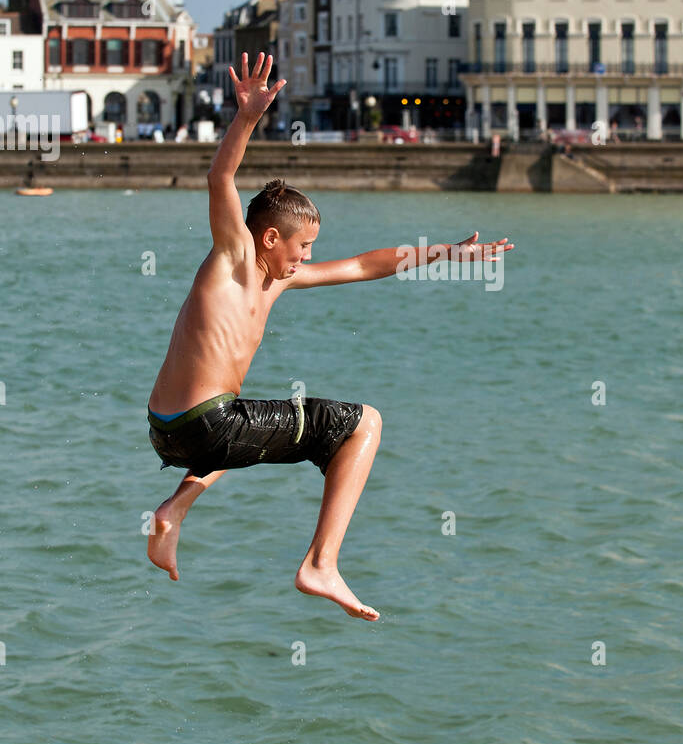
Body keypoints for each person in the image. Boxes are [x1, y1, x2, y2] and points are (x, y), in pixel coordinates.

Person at [145, 52, 513, 619]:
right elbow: (220, 177)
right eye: (302, 248)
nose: (307, 260)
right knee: (362, 424)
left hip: (171, 432)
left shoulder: (276, 281)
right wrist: (246, 117)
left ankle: (175, 510)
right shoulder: (235, 256)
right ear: (268, 238)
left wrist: (449, 252)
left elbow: (365, 266)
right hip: (207, 424)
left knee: (248, 425)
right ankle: (321, 563)